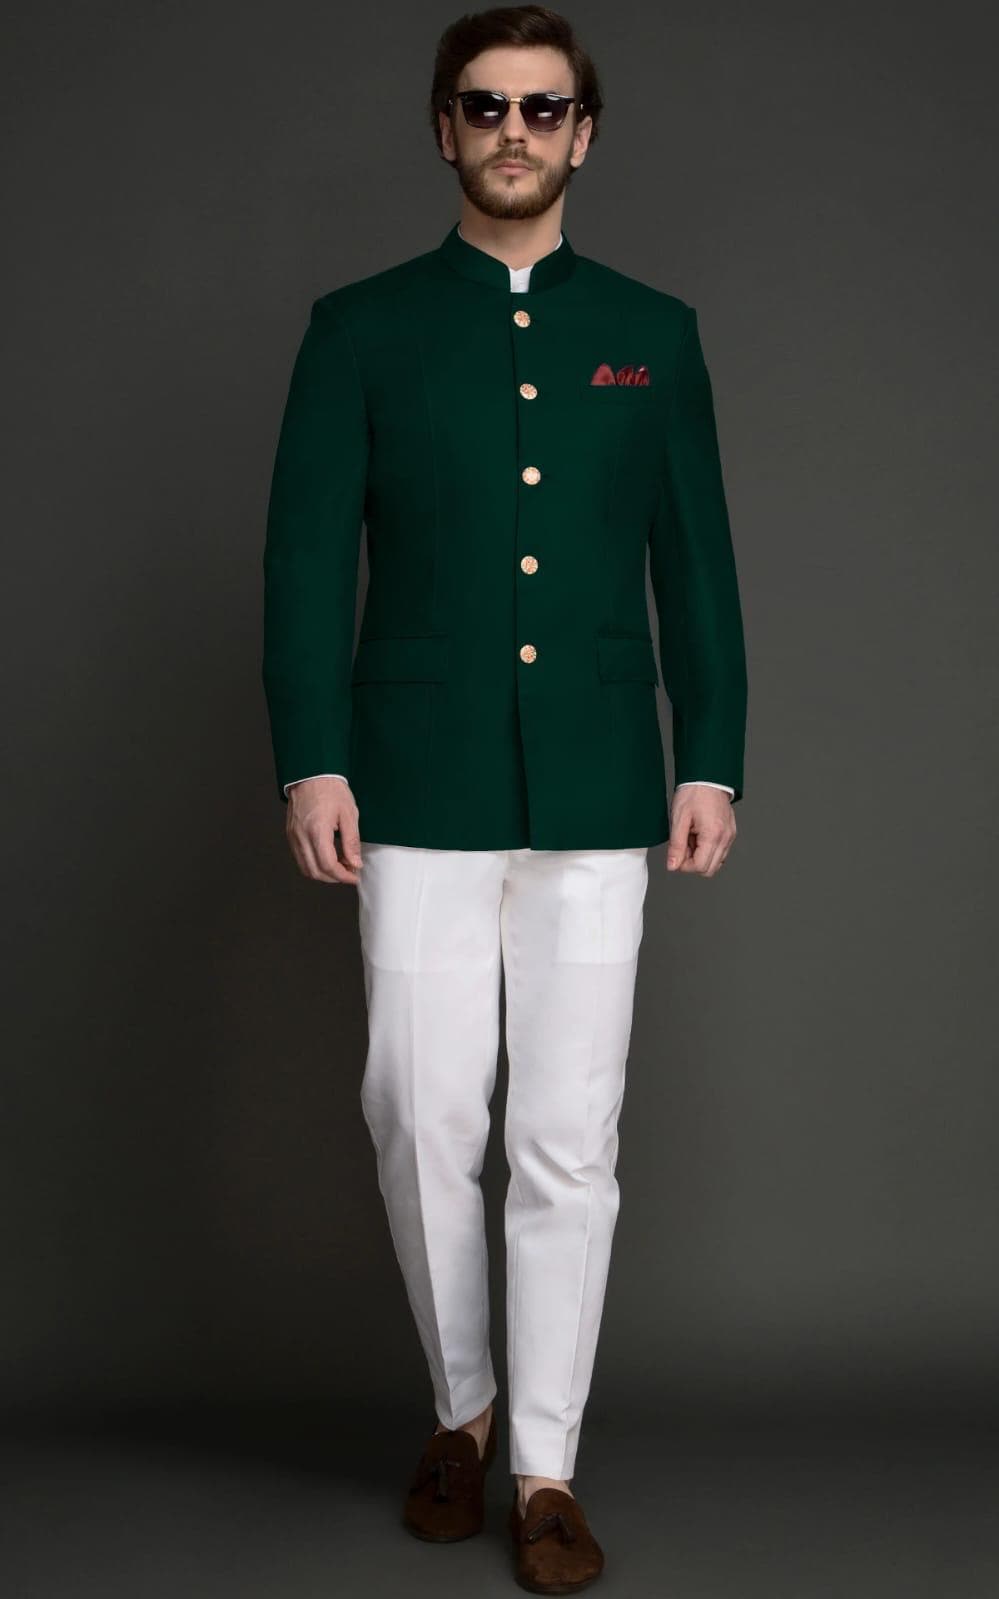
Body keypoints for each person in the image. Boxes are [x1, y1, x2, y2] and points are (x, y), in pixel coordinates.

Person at [261, 6, 747, 1590]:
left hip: (601, 784)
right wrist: (312, 753)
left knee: (566, 1135)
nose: (514, 132)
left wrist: (711, 751)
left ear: (583, 134)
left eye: (543, 108)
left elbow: (698, 563)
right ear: (444, 129)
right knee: (419, 1114)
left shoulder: (653, 332)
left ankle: (544, 1467)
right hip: (415, 780)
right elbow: (305, 559)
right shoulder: (360, 328)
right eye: (485, 106)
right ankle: (458, 1412)